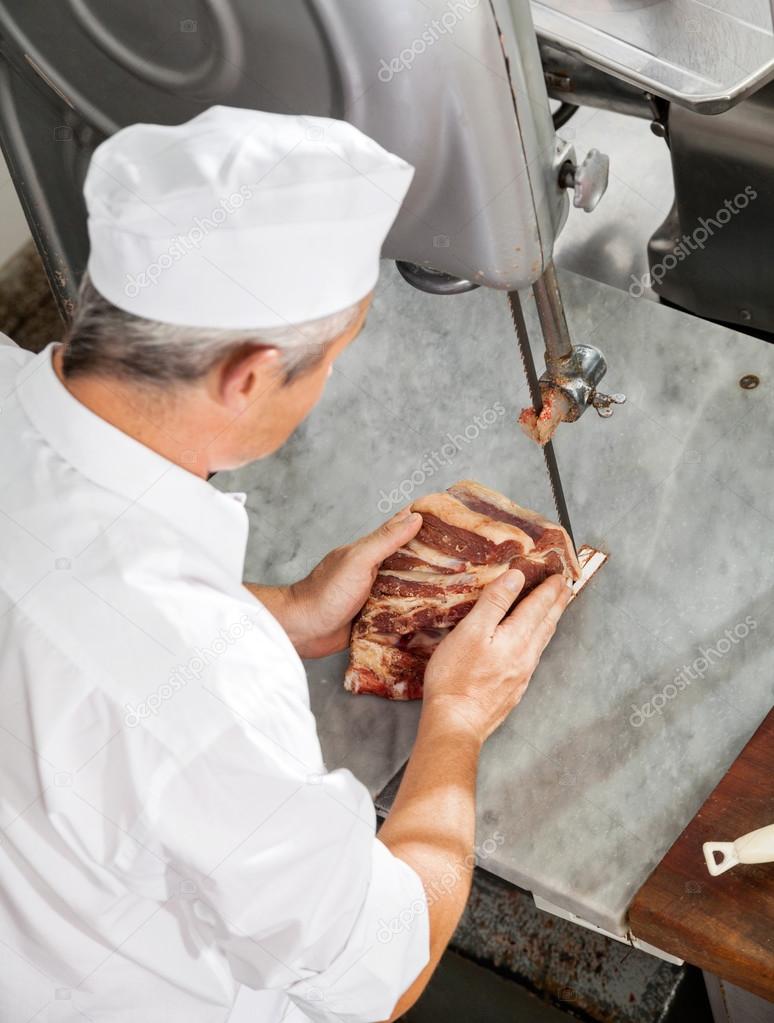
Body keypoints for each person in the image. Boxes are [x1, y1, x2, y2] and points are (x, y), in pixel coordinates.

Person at [0, 106, 571, 1023]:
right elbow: (387, 965)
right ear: (249, 375)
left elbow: (56, 597)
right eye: (331, 360)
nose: (330, 383)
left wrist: (291, 609)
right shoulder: (207, 696)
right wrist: (459, 718)